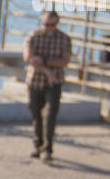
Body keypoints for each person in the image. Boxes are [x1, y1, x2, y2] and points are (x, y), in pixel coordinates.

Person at [22, 8, 73, 162]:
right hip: (35, 80)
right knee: (35, 111)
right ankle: (37, 145)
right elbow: (28, 58)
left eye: (52, 25)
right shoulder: (33, 36)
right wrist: (48, 70)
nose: (48, 27)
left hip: (54, 81)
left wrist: (43, 61)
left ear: (57, 24)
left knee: (50, 114)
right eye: (45, 24)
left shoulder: (64, 39)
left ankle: (48, 148)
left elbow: (64, 61)